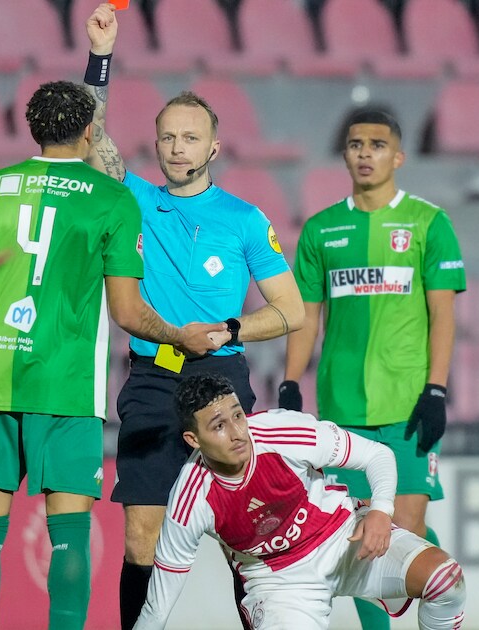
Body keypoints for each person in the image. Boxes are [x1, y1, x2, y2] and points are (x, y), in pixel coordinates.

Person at [0, 79, 224, 630]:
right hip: (67, 386)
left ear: (33, 130)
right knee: (67, 537)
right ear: (89, 132)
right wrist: (177, 336)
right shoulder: (112, 200)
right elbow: (128, 313)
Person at [79, 5, 306, 627]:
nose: (177, 147)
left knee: (245, 536)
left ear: (214, 145)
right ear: (157, 143)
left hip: (223, 380)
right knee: (140, 538)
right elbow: (88, 137)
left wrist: (233, 329)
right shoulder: (134, 198)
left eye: (190, 136)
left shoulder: (244, 219)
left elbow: (289, 310)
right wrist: (101, 57)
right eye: (168, 136)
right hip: (152, 380)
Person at [279, 109, 465, 629]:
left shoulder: (430, 223)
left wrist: (437, 390)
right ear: (344, 154)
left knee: (405, 524)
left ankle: (444, 587)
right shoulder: (320, 230)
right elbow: (304, 315)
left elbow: (443, 313)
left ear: (398, 156)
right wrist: (293, 380)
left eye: (377, 144)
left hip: (407, 405)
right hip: (343, 408)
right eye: (356, 144)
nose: (365, 152)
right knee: (364, 534)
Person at [135, 373, 466, 630]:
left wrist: (380, 511)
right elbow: (158, 605)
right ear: (194, 439)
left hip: (344, 539)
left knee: (446, 580)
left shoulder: (281, 432)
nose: (238, 432)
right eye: (219, 426)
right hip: (280, 583)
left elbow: (376, 455)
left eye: (238, 415)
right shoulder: (190, 497)